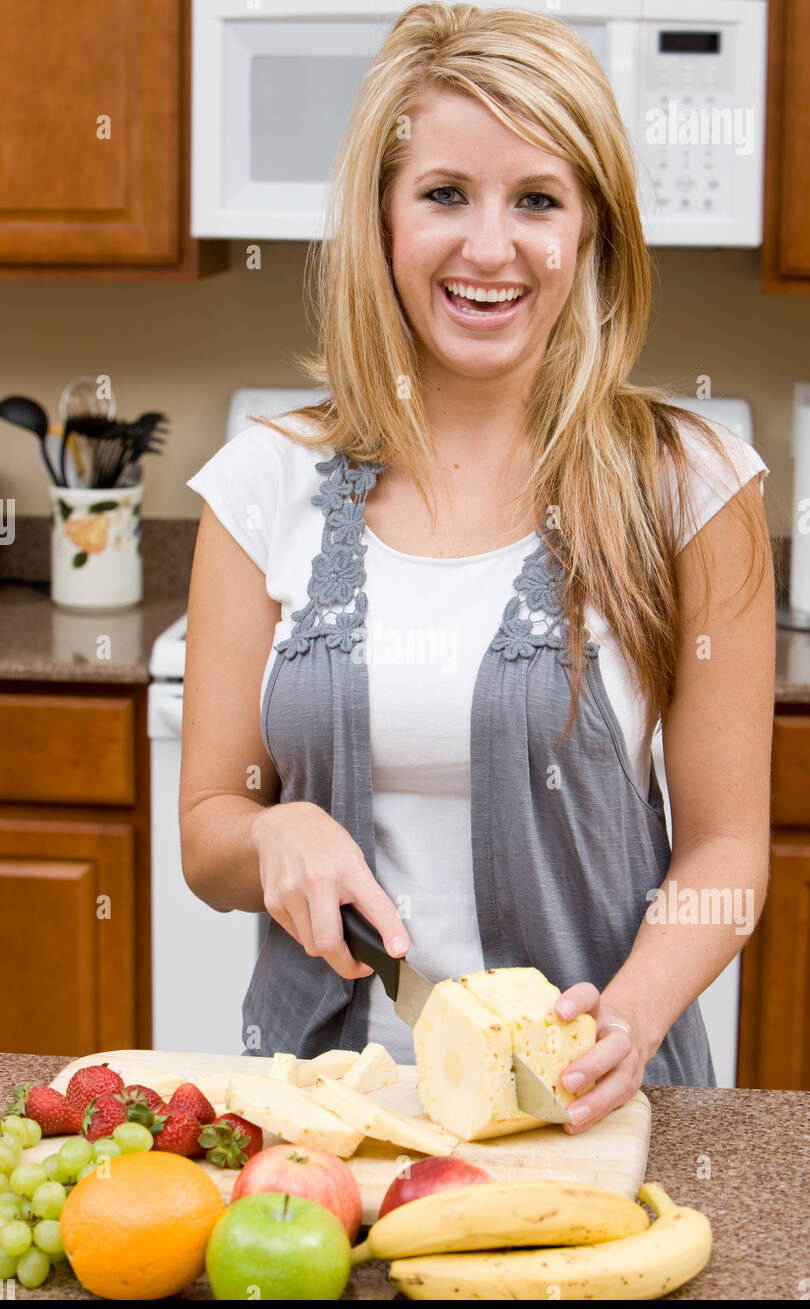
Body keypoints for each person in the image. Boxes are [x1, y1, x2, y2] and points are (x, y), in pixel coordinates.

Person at [180, 3, 774, 1135]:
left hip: (593, 1111)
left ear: (592, 230)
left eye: (537, 199)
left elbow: (728, 847)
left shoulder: (692, 486)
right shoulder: (263, 483)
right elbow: (209, 831)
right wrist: (269, 834)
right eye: (446, 193)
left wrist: (630, 1018)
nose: (490, 249)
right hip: (330, 1118)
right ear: (385, 219)